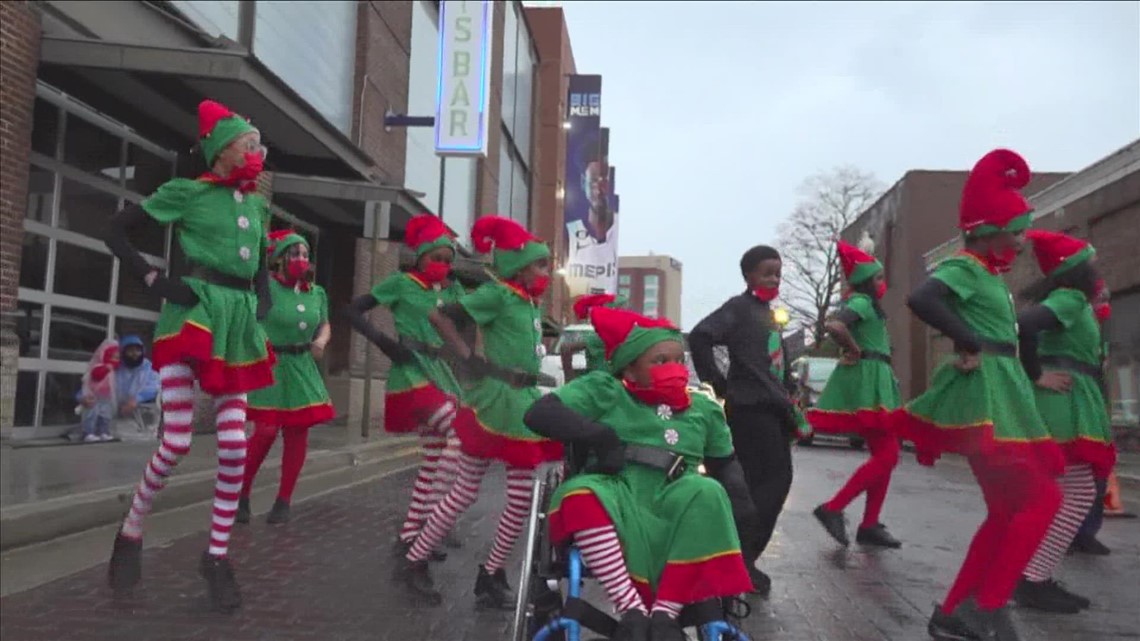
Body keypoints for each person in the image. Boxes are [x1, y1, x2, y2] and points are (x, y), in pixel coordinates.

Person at [104, 99, 276, 612]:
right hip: (194, 317)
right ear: (223, 151)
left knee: (234, 446)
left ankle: (217, 556)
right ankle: (132, 525)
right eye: (250, 145)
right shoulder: (188, 193)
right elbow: (116, 230)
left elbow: (260, 257)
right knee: (177, 440)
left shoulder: (254, 202)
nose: (257, 154)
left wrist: (262, 297)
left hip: (238, 323)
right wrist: (154, 279)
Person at [899, 148, 1064, 641]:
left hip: (1004, 395)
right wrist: (969, 340)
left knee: (1008, 510)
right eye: (1015, 231)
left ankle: (956, 611)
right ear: (988, 228)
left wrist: (968, 337)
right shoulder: (967, 265)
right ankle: (986, 606)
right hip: (990, 398)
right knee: (1043, 499)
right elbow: (922, 297)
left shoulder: (985, 273)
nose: (1019, 242)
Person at [524, 306, 756, 641]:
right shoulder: (606, 390)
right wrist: (598, 436)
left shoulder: (703, 407)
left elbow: (724, 462)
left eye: (678, 360)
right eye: (660, 361)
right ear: (629, 368)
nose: (674, 369)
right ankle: (631, 608)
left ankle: (665, 614)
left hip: (676, 494)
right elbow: (539, 414)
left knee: (710, 493)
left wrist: (740, 496)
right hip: (616, 488)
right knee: (579, 495)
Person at [395, 215, 562, 609]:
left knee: (519, 497)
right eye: (541, 265)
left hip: (520, 403)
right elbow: (442, 316)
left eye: (547, 265)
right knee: (465, 490)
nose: (546, 273)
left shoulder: (527, 302)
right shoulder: (499, 294)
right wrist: (467, 355)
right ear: (518, 266)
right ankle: (416, 559)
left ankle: (490, 572)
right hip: (493, 402)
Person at [346, 214, 466, 558]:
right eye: (436, 259)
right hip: (411, 373)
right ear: (420, 257)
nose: (442, 265)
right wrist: (384, 343)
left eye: (447, 260)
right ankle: (434, 523)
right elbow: (352, 310)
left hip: (438, 372)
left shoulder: (440, 293)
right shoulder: (400, 282)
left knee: (432, 460)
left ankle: (412, 533)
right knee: (460, 434)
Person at [1011, 230, 1116, 613]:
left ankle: (1030, 574)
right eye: (1090, 261)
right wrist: (1036, 374)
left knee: (1063, 493)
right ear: (1076, 269)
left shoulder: (1074, 301)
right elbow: (1024, 323)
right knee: (1077, 493)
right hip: (1062, 401)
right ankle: (1031, 578)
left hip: (1069, 397)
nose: (1096, 267)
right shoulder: (1070, 298)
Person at [688, 245, 798, 597]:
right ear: (748, 275)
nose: (773, 279)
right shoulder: (739, 309)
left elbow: (775, 363)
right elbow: (701, 335)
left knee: (773, 483)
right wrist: (719, 384)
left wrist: (790, 390)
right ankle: (739, 561)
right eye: (767, 272)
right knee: (761, 484)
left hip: (774, 410)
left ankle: (742, 559)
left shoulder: (769, 314)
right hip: (751, 411)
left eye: (778, 273)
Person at [807, 239, 903, 548]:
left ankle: (870, 523)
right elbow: (835, 325)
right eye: (877, 277)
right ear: (865, 282)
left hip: (876, 378)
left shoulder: (866, 303)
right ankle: (834, 508)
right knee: (888, 455)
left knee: (885, 454)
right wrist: (853, 347)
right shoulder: (862, 301)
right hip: (869, 381)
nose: (882, 282)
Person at [236, 230, 334, 525]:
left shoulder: (316, 293)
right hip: (271, 363)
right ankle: (242, 493)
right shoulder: (264, 288)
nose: (301, 259)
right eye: (295, 254)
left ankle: (284, 500)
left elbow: (326, 324)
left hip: (302, 364)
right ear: (279, 259)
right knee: (265, 431)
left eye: (305, 255)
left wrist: (321, 341)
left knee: (297, 431)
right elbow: (247, 322)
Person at [75, 335, 160, 442]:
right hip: (111, 416)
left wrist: (136, 400)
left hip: (139, 418)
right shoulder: (114, 367)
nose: (134, 354)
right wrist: (82, 397)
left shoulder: (148, 368)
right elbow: (91, 385)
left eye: (138, 350)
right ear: (122, 352)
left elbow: (154, 387)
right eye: (130, 350)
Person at [560, 293, 625, 382]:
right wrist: (569, 378)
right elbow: (565, 347)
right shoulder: (603, 336)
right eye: (622, 309)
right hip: (600, 385)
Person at [75, 339, 121, 442]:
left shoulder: (113, 371)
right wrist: (106, 368)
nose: (116, 361)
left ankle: (103, 432)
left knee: (105, 416)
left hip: (106, 397)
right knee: (91, 415)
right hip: (94, 396)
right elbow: (96, 375)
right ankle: (88, 432)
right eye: (114, 358)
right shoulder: (98, 367)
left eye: (118, 358)